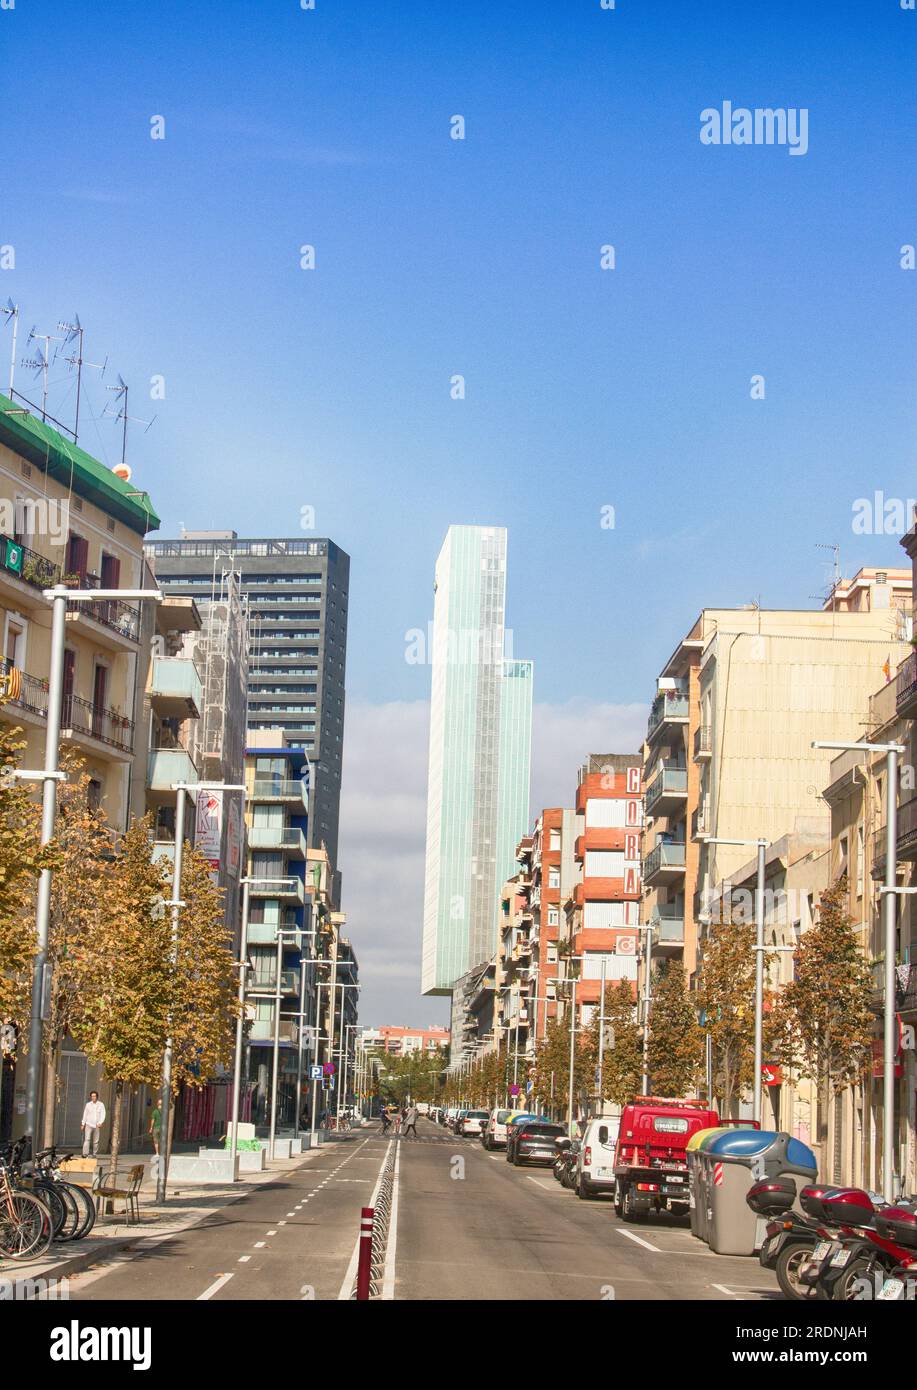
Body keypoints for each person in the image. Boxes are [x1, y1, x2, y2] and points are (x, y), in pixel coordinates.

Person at [81, 1091, 106, 1158]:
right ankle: (85, 1154)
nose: (93, 1097)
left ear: (97, 1097)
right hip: (89, 1124)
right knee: (87, 1139)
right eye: (92, 1096)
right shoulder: (88, 1105)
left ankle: (94, 1153)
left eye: (94, 1096)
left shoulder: (101, 1104)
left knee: (96, 1141)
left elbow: (103, 1114)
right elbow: (85, 1114)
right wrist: (83, 1124)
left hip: (97, 1125)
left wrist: (100, 1122)